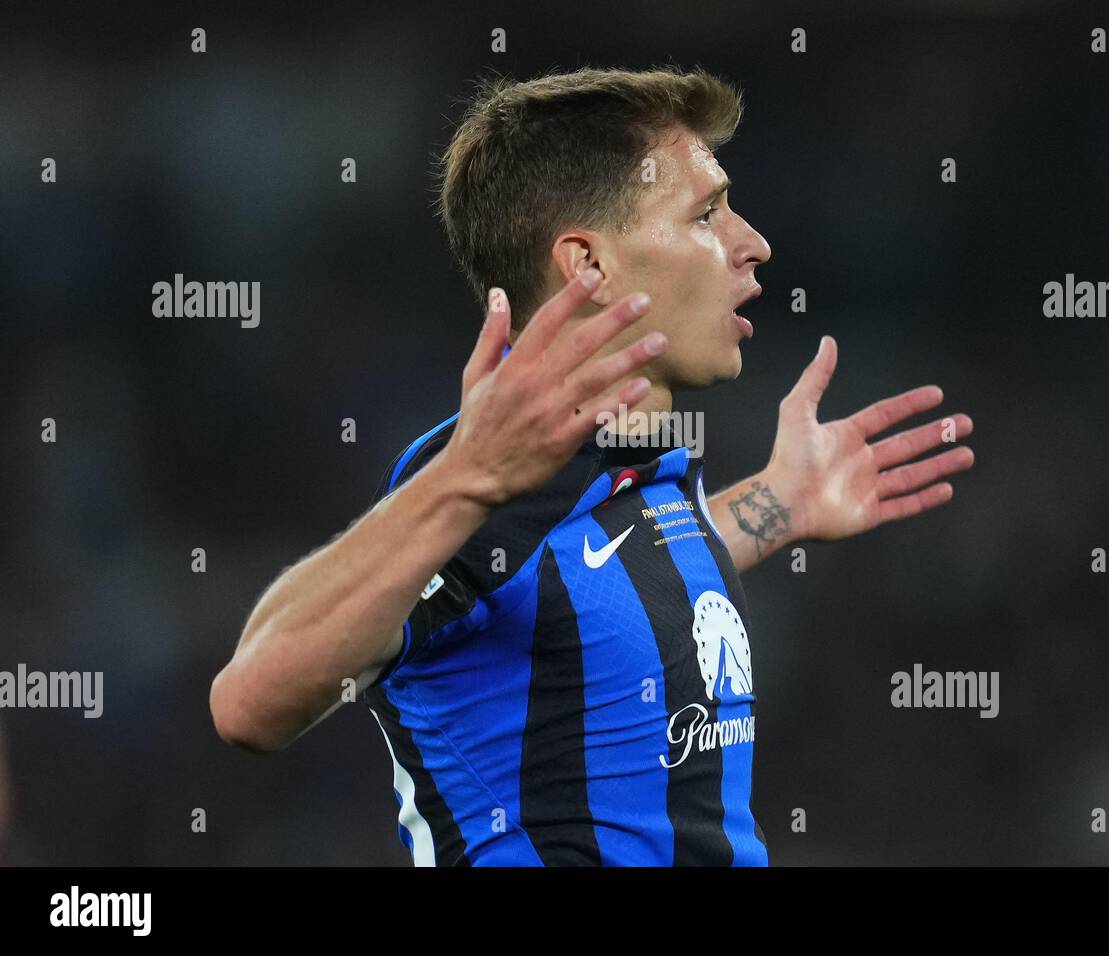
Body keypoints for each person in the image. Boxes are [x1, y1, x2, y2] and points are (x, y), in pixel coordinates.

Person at [209, 66, 975, 866]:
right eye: (707, 213)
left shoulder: (638, 473)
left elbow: (588, 570)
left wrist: (776, 504)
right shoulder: (486, 482)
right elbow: (249, 703)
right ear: (589, 264)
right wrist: (462, 479)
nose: (754, 244)